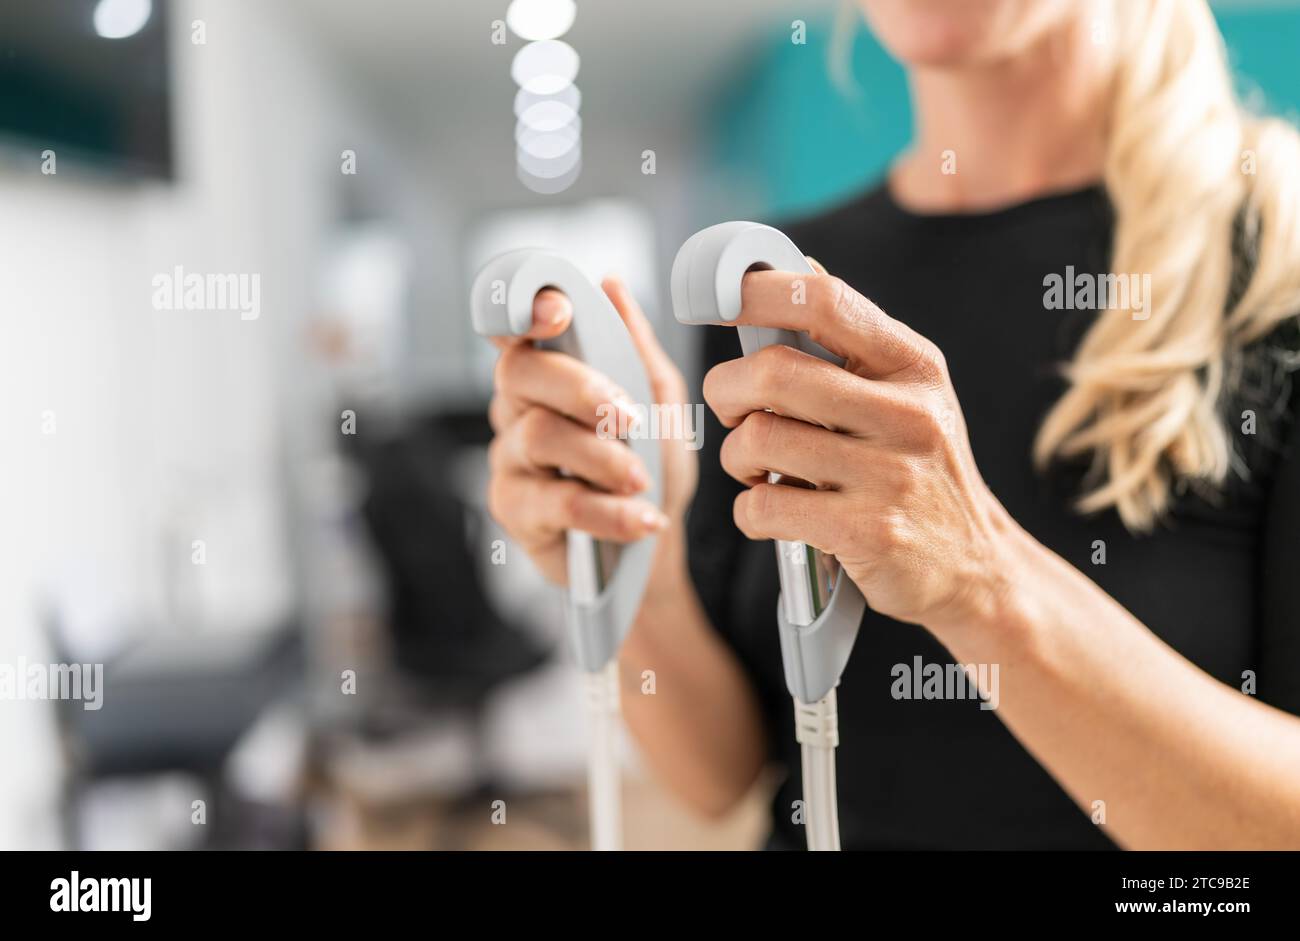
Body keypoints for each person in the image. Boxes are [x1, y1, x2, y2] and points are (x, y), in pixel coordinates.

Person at [482, 0, 1300, 849]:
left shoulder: (1276, 256)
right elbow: (722, 774)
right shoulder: (779, 286)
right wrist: (640, 572)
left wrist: (981, 582)